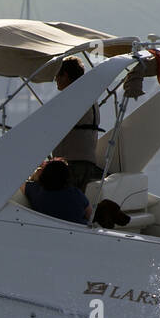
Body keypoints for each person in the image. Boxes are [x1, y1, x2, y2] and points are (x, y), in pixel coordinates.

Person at [51, 58, 104, 192]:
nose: (55, 79)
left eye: (58, 75)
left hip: (70, 163)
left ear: (66, 76)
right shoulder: (89, 98)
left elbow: (53, 126)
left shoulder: (72, 98)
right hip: (86, 161)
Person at [20, 157, 91, 225]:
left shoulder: (36, 191)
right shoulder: (76, 193)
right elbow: (89, 215)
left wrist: (36, 174)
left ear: (44, 175)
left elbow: (20, 184)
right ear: (67, 176)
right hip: (78, 230)